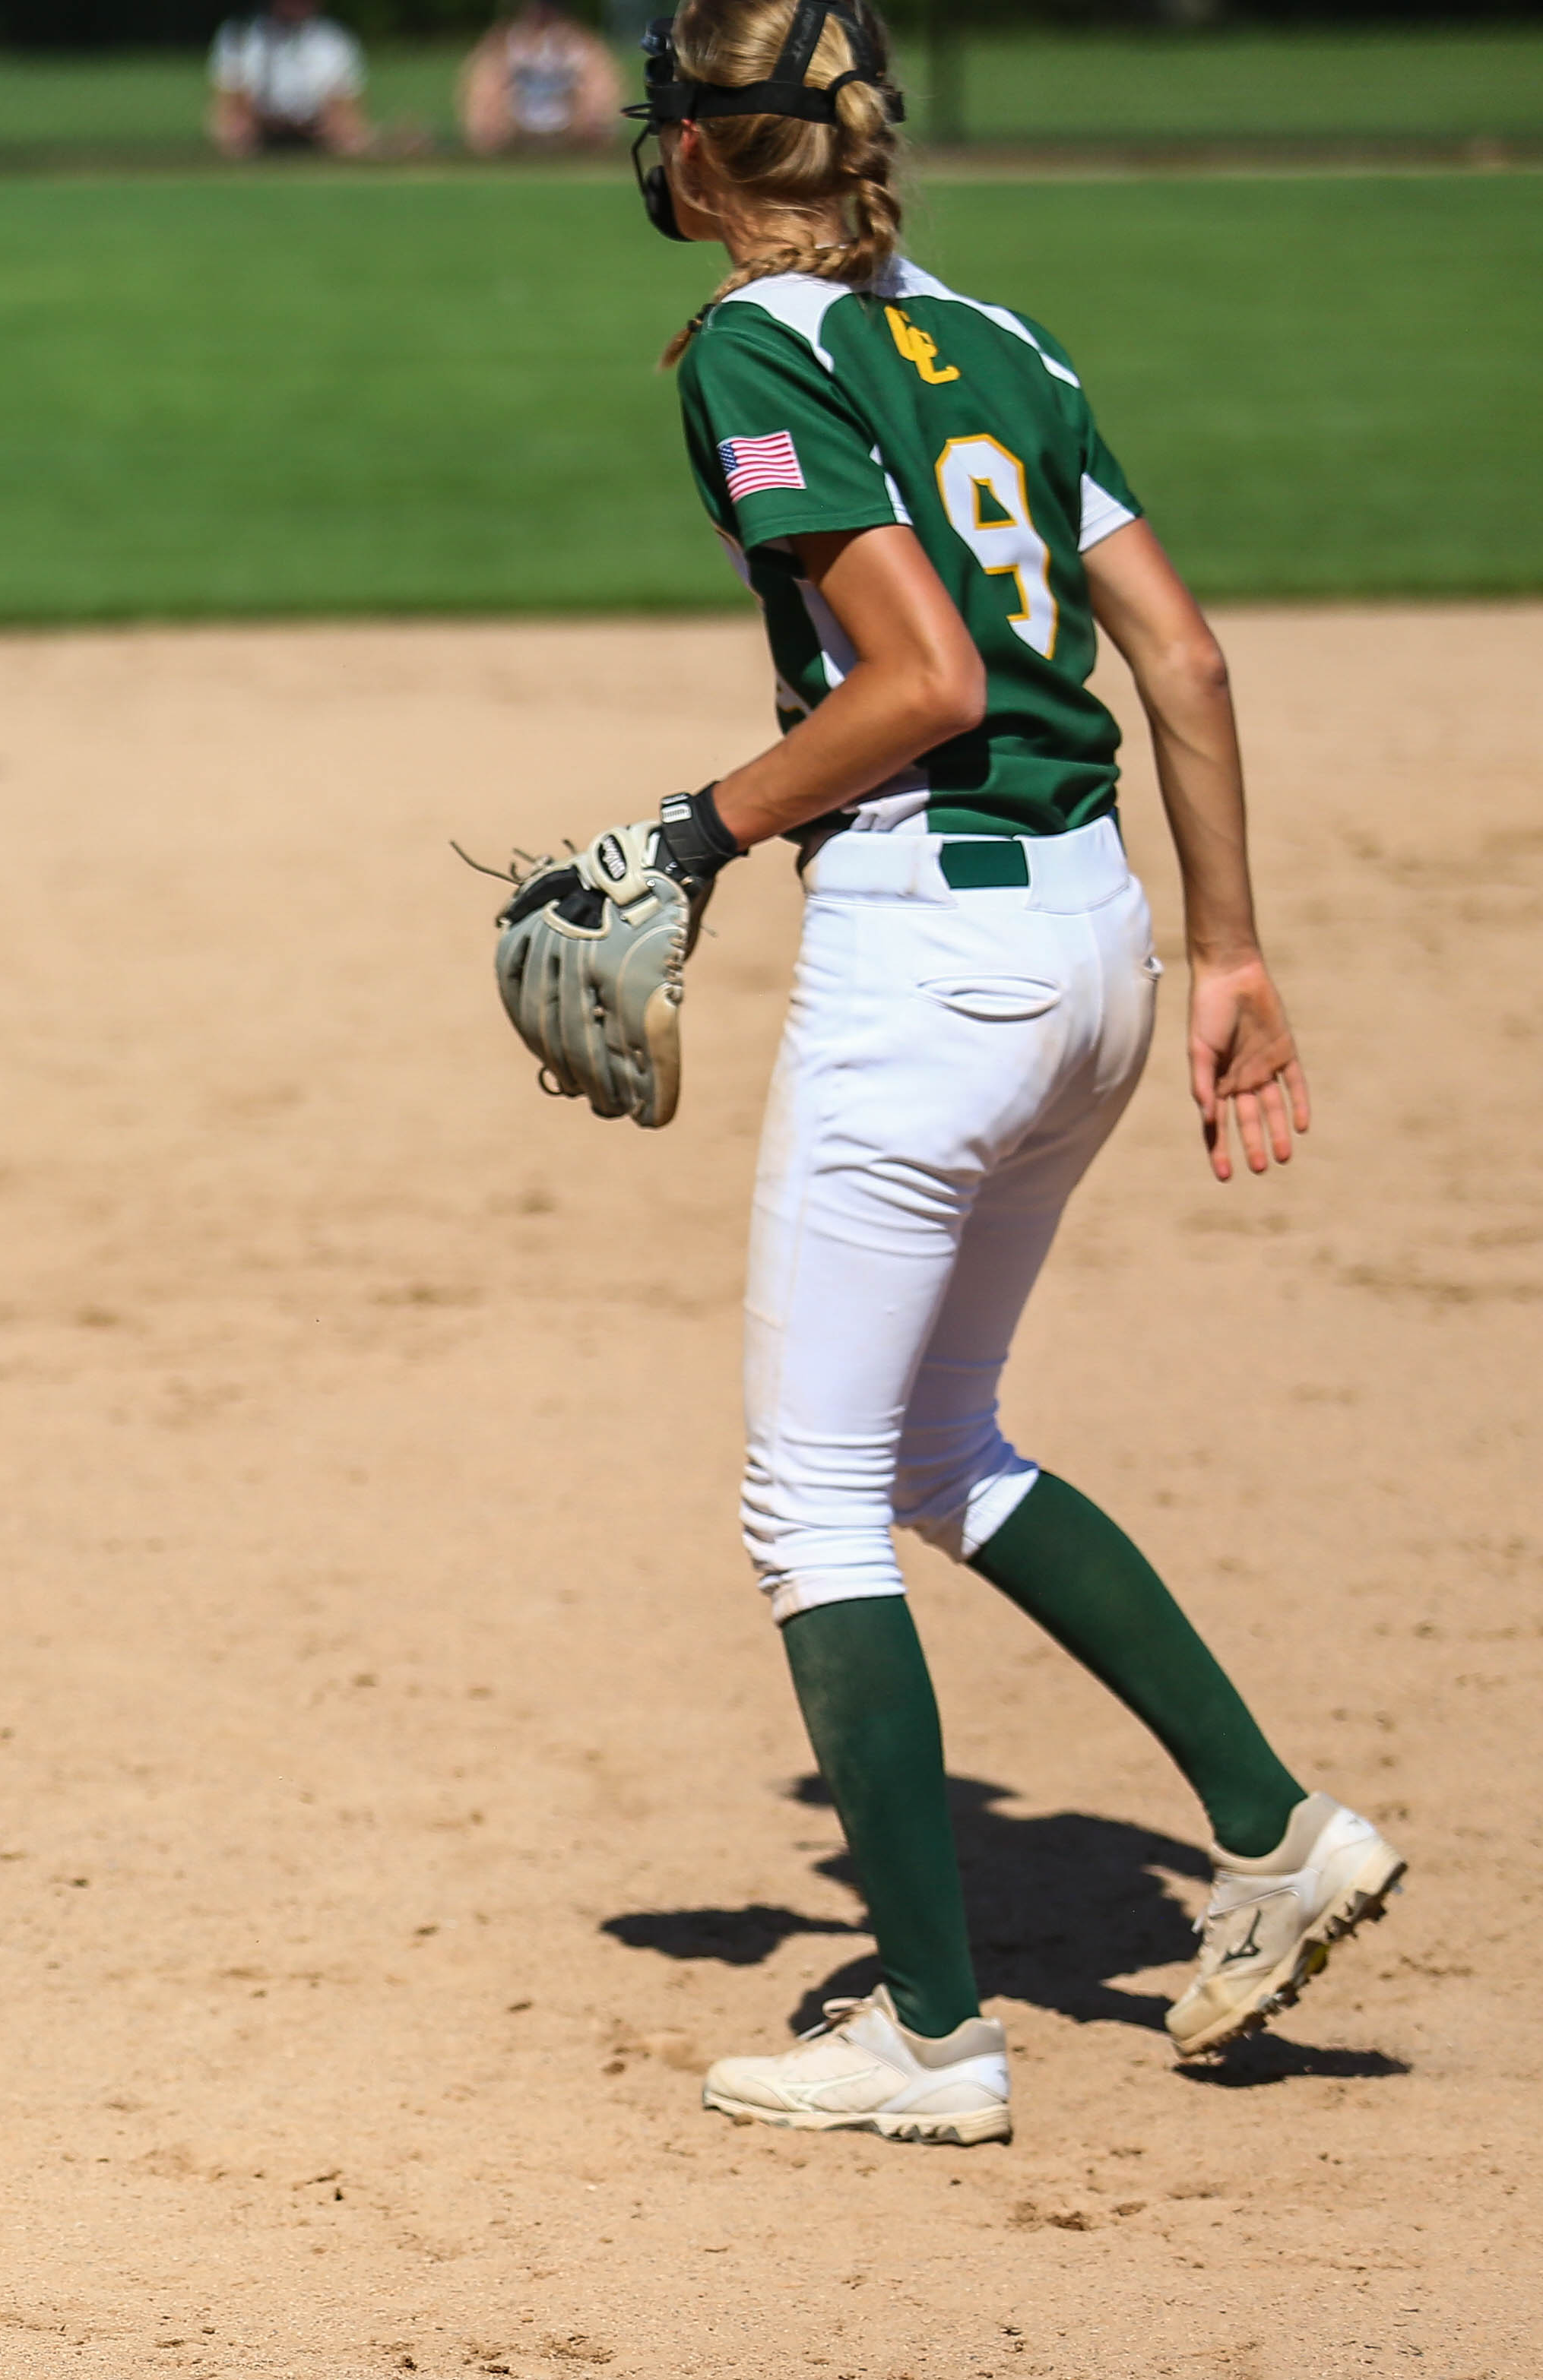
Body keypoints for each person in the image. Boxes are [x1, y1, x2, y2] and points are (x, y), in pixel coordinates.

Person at [547, 0, 1405, 2145]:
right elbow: (1176, 652)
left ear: (697, 153)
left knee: (807, 1497)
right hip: (1093, 945)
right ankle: (1270, 1827)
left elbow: (921, 680)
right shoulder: (997, 338)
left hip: (928, 959)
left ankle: (929, 2033)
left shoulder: (757, 346)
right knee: (934, 1445)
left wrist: (689, 832)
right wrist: (1226, 949)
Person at [208, 0, 369, 157]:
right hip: (259, 126)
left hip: (317, 127)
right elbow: (230, 101)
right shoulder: (240, 35)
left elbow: (344, 105)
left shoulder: (335, 39)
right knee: (235, 132)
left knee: (352, 139)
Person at [461, 0, 619, 152]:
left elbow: (601, 94)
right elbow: (483, 96)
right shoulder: (502, 44)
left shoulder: (581, 44)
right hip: (516, 132)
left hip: (569, 131)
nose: (540, 12)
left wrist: (588, 120)